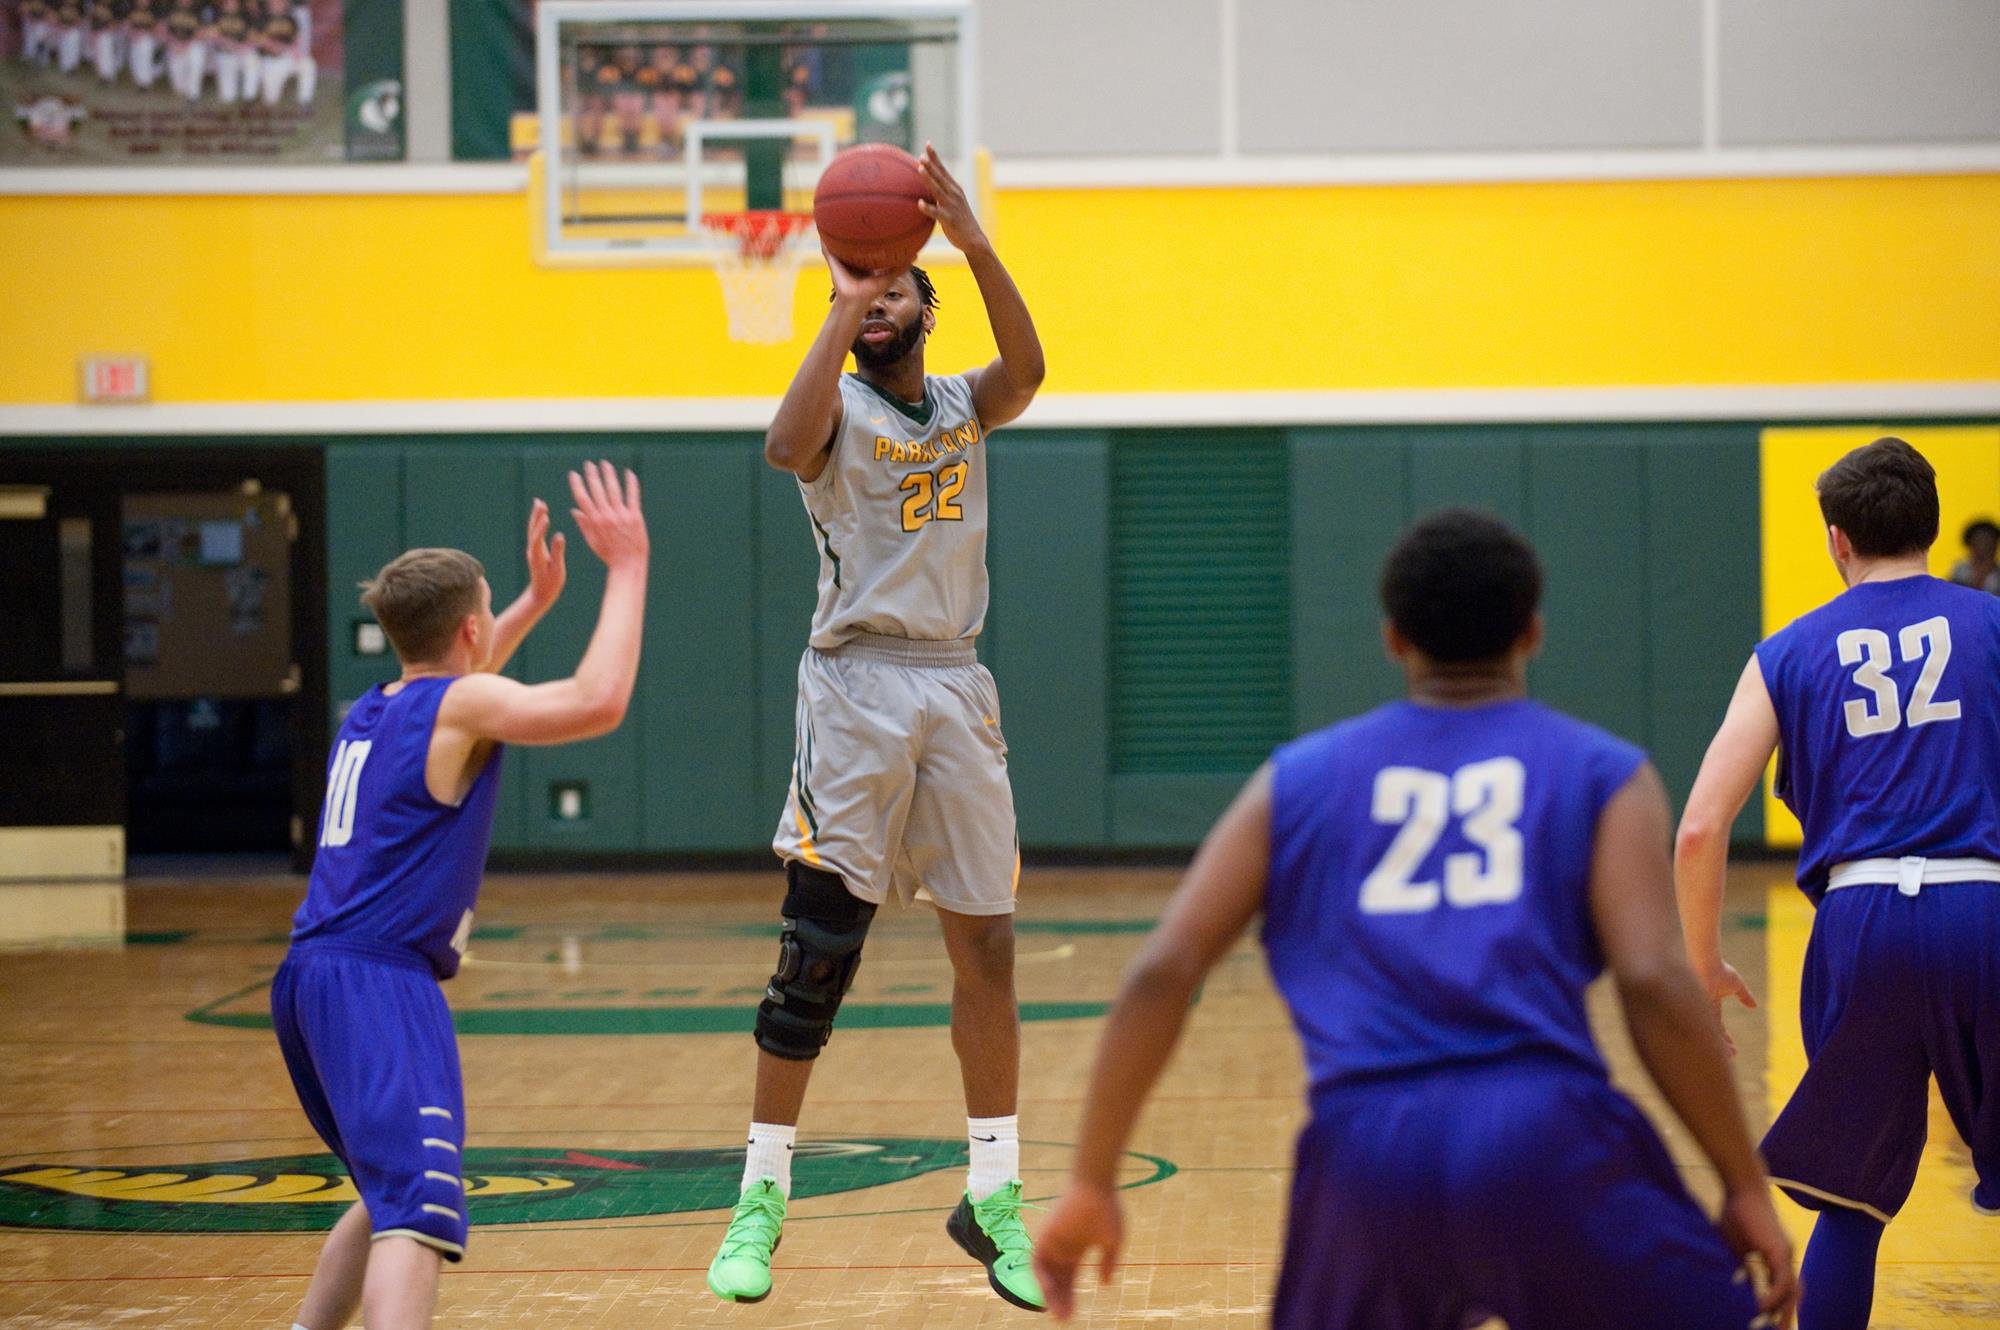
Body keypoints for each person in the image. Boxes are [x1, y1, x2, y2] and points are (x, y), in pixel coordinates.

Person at [1035, 508, 1799, 1330]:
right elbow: (1652, 979)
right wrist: (1743, 1184)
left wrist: (1089, 1180)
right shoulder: (1603, 774)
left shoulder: (1296, 782)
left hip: (1365, 1154)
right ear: (1532, 633)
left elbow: (1163, 970)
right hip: (1546, 1138)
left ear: (1394, 639)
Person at [704, 143, 1047, 1310]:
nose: (875, 300)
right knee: (816, 951)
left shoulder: (962, 404)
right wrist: (836, 301)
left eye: (892, 285)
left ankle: (992, 1189)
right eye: (859, 286)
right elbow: (780, 444)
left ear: (922, 293)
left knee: (988, 941)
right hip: (854, 685)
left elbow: (1033, 368)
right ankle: (760, 1198)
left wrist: (973, 238)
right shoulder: (834, 406)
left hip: (953, 680)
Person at [272, 463, 648, 1330]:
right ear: (472, 628)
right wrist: (625, 568)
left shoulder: (376, 708)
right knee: (414, 1207)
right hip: (378, 984)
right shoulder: (453, 706)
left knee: (387, 1188)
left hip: (310, 978)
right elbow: (598, 701)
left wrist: (529, 605)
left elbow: (462, 684)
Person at [1676, 435, 2000, 1330]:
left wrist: (1702, 962)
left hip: (1861, 920)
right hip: (1986, 902)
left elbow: (1701, 826)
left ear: (1835, 540)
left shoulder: (1787, 651)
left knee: (1851, 1202)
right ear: (1931, 526)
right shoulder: (1994, 626)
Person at [1950, 516, 2000, 594]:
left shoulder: (1997, 575)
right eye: (1979, 541)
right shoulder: (1960, 571)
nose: (1983, 546)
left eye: (1988, 542)